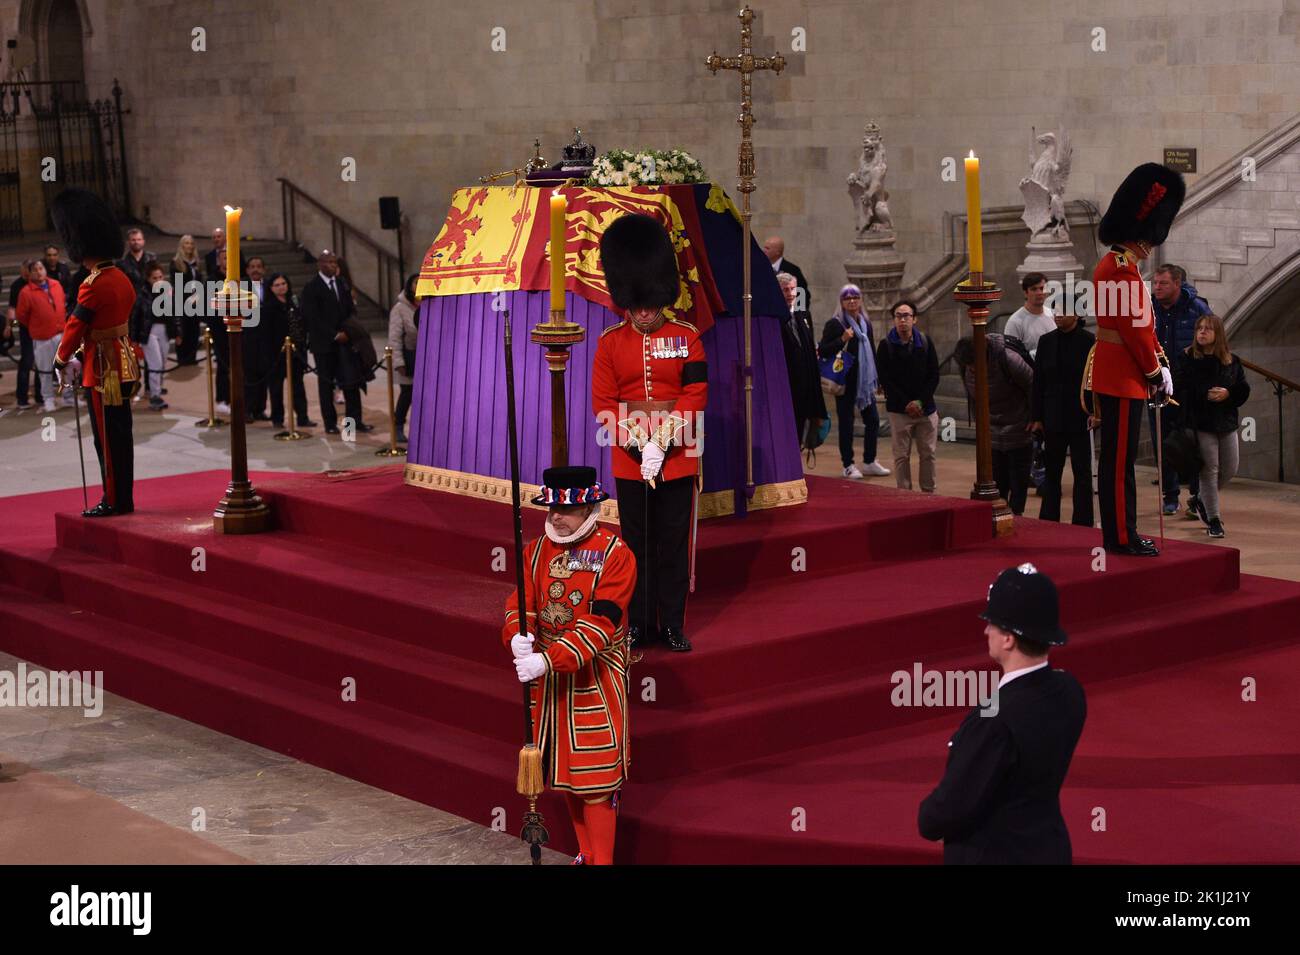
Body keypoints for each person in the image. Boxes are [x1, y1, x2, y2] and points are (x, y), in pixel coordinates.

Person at [504, 465, 635, 866]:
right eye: (552, 508)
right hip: (549, 685)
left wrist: (549, 659)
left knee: (594, 782)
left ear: (589, 508)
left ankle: (603, 862)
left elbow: (602, 624)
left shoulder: (616, 554)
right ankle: (586, 854)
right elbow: (520, 602)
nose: (556, 516)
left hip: (592, 678)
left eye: (566, 510)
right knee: (565, 776)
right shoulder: (536, 550)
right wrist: (517, 635)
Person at [918, 563, 1086, 864]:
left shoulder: (995, 719)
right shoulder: (1070, 691)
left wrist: (928, 816)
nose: (985, 630)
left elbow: (945, 811)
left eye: (991, 623)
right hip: (1049, 849)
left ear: (1008, 638)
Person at [592, 213, 706, 653]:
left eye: (649, 302)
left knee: (673, 543)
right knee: (636, 544)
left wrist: (664, 440)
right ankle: (638, 622)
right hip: (629, 457)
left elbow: (696, 393)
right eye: (635, 303)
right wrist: (639, 442)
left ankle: (672, 624)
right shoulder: (609, 343)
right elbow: (603, 405)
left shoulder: (687, 337)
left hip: (678, 456)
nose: (642, 311)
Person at [1089, 163, 1184, 557]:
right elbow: (1132, 330)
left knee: (1118, 462)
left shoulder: (1116, 265)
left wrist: (1157, 358)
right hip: (1123, 377)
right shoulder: (1123, 271)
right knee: (1118, 464)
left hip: (1117, 374)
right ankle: (1122, 537)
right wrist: (1154, 370)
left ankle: (1120, 533)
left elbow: (1140, 327)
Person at [52, 188, 141, 517]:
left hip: (102, 369)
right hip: (124, 362)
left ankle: (114, 499)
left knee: (106, 437)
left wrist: (61, 358)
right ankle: (124, 496)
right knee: (121, 434)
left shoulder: (93, 283)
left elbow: (76, 325)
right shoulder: (121, 278)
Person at [1173, 314, 1250, 540]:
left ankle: (1199, 499)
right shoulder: (1187, 358)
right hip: (1201, 422)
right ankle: (1214, 519)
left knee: (1230, 468)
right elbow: (1179, 387)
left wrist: (1228, 393)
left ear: (1218, 334)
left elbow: (1243, 389)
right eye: (1199, 329)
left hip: (1226, 421)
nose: (1202, 332)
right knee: (1210, 470)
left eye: (1207, 329)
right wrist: (1203, 394)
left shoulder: (1231, 360)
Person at [1150, 263, 1211, 517]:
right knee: (1162, 443)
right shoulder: (1148, 307)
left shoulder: (1196, 308)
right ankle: (1170, 495)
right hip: (1156, 384)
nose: (1157, 288)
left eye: (1163, 283)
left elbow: (1212, 340)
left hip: (1188, 387)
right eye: (1155, 283)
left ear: (1177, 284)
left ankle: (1198, 497)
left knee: (1194, 441)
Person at [1031, 294, 1096, 526]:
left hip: (1081, 417)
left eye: (1063, 311)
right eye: (1055, 310)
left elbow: (1094, 381)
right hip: (1052, 416)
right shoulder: (1046, 341)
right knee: (1052, 472)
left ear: (1077, 315)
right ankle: (1049, 518)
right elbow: (1038, 381)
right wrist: (1036, 417)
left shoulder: (1090, 342)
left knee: (1082, 472)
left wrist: (1094, 412)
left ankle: (1083, 521)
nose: (1057, 315)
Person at [955, 331, 1034, 515]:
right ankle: (997, 517)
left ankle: (1016, 517)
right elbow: (973, 399)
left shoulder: (1008, 358)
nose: (972, 369)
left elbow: (1032, 384)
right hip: (990, 432)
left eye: (974, 365)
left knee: (1018, 482)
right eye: (969, 366)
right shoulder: (966, 365)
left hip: (1018, 427)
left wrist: (1034, 418)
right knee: (997, 481)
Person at [819, 284, 888, 478]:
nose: (852, 301)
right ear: (841, 302)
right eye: (847, 298)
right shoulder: (836, 323)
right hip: (845, 381)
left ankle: (869, 461)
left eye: (855, 298)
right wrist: (842, 339)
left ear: (860, 300)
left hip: (864, 382)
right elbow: (823, 350)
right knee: (847, 423)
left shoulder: (865, 322)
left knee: (873, 420)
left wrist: (879, 379)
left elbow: (871, 350)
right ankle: (848, 464)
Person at [875, 300, 940, 493]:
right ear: (894, 320)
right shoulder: (886, 346)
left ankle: (928, 492)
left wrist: (920, 401)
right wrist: (907, 403)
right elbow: (885, 379)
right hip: (899, 409)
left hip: (925, 408)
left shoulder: (925, 342)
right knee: (901, 455)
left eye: (907, 316)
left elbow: (934, 375)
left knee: (928, 453)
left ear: (915, 319)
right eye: (898, 316)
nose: (903, 320)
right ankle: (904, 493)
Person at [301, 250, 369, 434]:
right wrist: (334, 334)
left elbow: (349, 311)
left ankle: (353, 424)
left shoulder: (341, 283)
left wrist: (347, 331)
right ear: (320, 264)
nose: (333, 265)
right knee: (326, 384)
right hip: (324, 344)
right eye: (329, 262)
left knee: (350, 382)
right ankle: (330, 424)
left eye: (334, 262)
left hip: (345, 341)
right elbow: (312, 317)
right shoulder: (311, 287)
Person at [776, 271, 826, 453]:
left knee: (800, 433)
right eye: (785, 290)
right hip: (786, 386)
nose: (790, 293)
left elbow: (811, 353)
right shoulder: (774, 319)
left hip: (805, 386)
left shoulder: (803, 315)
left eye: (792, 289)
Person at [16, 259, 68, 413]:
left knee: (66, 368)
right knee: (45, 371)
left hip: (61, 333)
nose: (39, 272)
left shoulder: (56, 285)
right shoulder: (26, 292)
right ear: (30, 273)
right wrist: (38, 325)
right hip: (42, 337)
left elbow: (62, 304)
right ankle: (48, 399)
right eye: (35, 270)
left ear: (45, 270)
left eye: (41, 268)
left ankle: (69, 396)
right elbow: (22, 316)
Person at [264, 273, 314, 428]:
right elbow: (267, 333)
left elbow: (302, 323)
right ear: (271, 288)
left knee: (298, 386)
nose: (281, 287)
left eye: (283, 283)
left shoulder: (294, 301)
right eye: (277, 285)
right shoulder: (268, 307)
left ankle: (302, 417)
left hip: (296, 352)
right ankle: (277, 419)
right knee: (276, 388)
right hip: (277, 354)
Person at [128, 259, 177, 411]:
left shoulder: (168, 292)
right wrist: (134, 338)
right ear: (148, 279)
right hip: (148, 331)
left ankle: (157, 389)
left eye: (160, 277)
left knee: (162, 362)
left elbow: (175, 314)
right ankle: (155, 395)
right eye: (154, 278)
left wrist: (178, 332)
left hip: (164, 330)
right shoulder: (142, 294)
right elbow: (135, 317)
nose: (158, 280)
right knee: (155, 363)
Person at [387, 273, 420, 443]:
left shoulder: (429, 304)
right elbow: (394, 337)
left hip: (426, 359)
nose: (419, 284)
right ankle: (398, 426)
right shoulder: (400, 308)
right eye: (416, 282)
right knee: (407, 394)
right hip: (408, 358)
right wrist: (398, 362)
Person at [241, 256, 272, 422]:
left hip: (266, 337)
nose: (255, 269)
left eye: (259, 266)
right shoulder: (241, 287)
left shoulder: (269, 286)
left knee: (263, 374)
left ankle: (260, 409)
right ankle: (247, 409)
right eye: (252, 267)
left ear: (264, 269)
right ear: (247, 270)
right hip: (248, 337)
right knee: (249, 375)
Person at [8, 260, 39, 409]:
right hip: (25, 329)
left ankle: (39, 396)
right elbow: (12, 309)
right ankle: (22, 398)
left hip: (39, 328)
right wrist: (13, 326)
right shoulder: (17, 286)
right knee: (26, 362)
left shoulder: (37, 283)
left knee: (41, 363)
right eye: (25, 270)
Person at [1003, 272, 1055, 360]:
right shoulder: (1015, 322)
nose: (1039, 293)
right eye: (1034, 289)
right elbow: (1011, 356)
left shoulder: (1052, 314)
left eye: (1042, 288)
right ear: (1025, 293)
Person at [172, 234, 204, 365]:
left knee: (194, 330)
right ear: (181, 245)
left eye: (191, 243)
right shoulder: (176, 263)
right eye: (186, 243)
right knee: (183, 330)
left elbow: (200, 281)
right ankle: (183, 358)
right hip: (182, 302)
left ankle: (192, 357)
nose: (189, 246)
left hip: (196, 302)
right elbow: (178, 285)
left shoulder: (196, 262)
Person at [762, 235, 810, 312]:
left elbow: (802, 295)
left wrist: (797, 316)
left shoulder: (793, 270)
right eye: (764, 247)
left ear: (777, 252)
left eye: (767, 248)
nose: (764, 250)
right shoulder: (761, 269)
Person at [118, 227, 156, 293]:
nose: (136, 242)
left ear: (143, 241)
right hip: (133, 297)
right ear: (128, 242)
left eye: (139, 239)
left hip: (151, 296)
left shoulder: (152, 258)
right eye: (133, 240)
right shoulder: (122, 262)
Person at [42, 244, 76, 312]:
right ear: (45, 256)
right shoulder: (41, 270)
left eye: (54, 255)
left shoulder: (64, 268)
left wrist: (66, 297)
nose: (52, 258)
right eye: (49, 255)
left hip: (64, 299)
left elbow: (70, 285)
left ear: (58, 256)